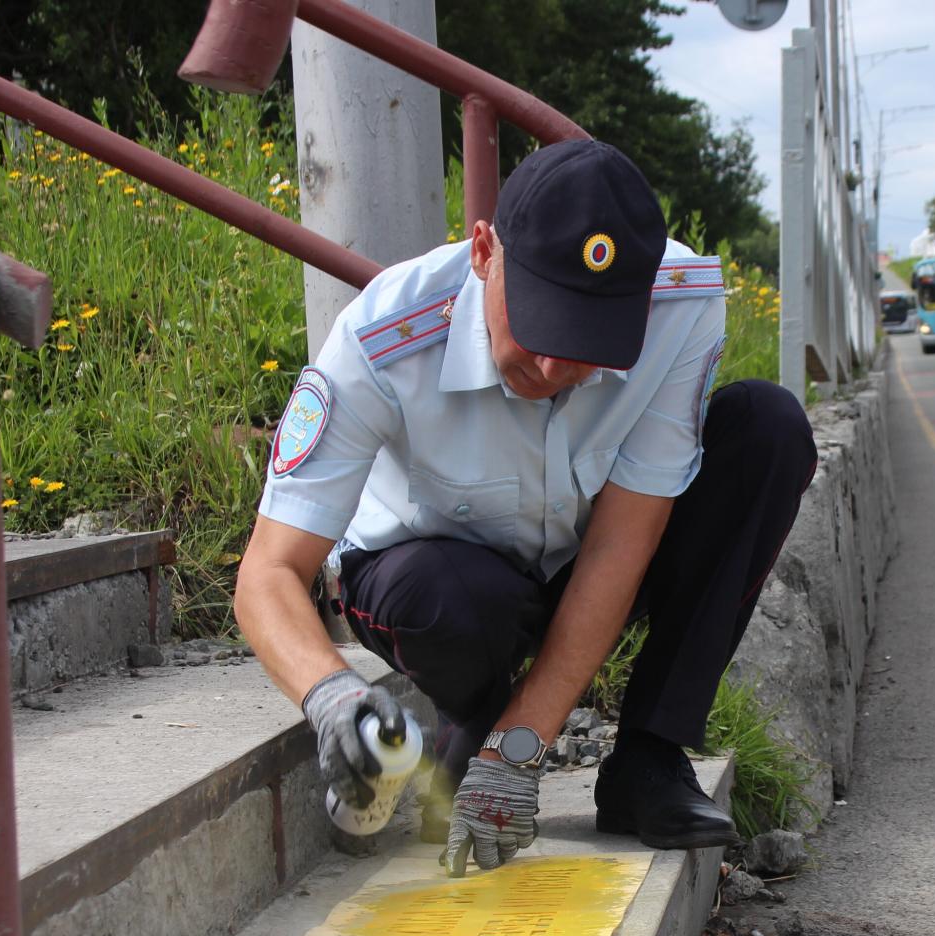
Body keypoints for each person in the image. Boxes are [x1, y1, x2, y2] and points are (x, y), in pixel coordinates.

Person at [234, 139, 816, 877]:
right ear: (483, 252)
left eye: (586, 344)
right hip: (438, 578)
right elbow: (269, 572)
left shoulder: (681, 303)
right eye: (539, 327)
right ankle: (473, 711)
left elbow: (619, 545)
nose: (551, 368)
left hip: (582, 555)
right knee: (448, 599)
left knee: (767, 429)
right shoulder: (382, 340)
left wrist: (523, 749)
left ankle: (647, 757)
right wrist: (332, 698)